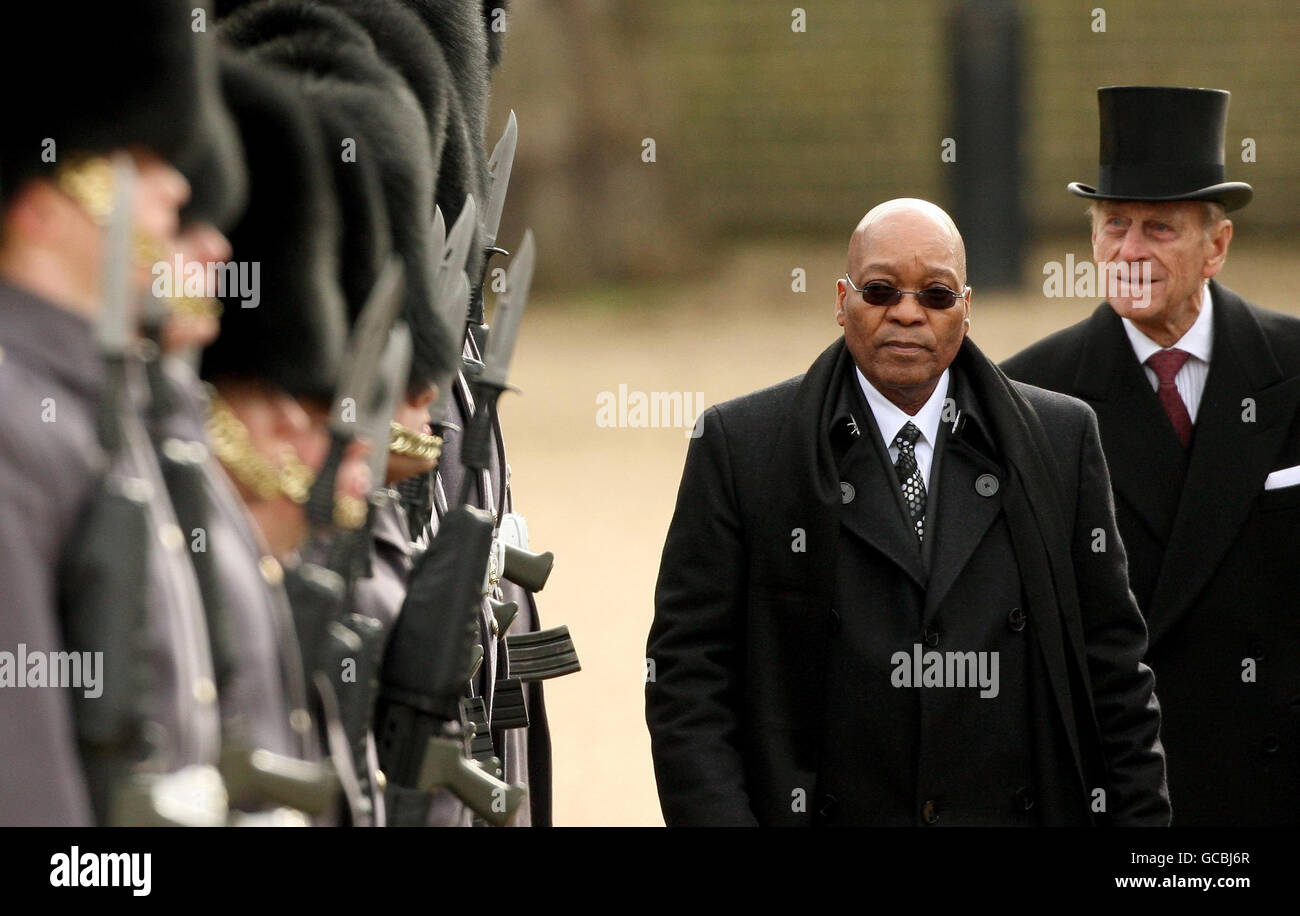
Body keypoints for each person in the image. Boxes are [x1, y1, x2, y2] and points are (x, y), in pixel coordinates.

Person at [646, 198, 1170, 826]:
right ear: (841, 300)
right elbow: (688, 678)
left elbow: (1114, 671)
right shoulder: (741, 446)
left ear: (966, 309)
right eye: (880, 290)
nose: (907, 312)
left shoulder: (1059, 440)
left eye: (936, 295)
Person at [1002, 86, 1300, 826]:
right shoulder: (1028, 396)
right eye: (1115, 225)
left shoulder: (1294, 369)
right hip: (1128, 793)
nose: (1129, 252)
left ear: (1216, 247)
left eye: (1160, 228)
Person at [0, 4, 223, 825]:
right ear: (39, 204)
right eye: (136, 160)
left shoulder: (98, 403)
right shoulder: (15, 424)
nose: (176, 188)